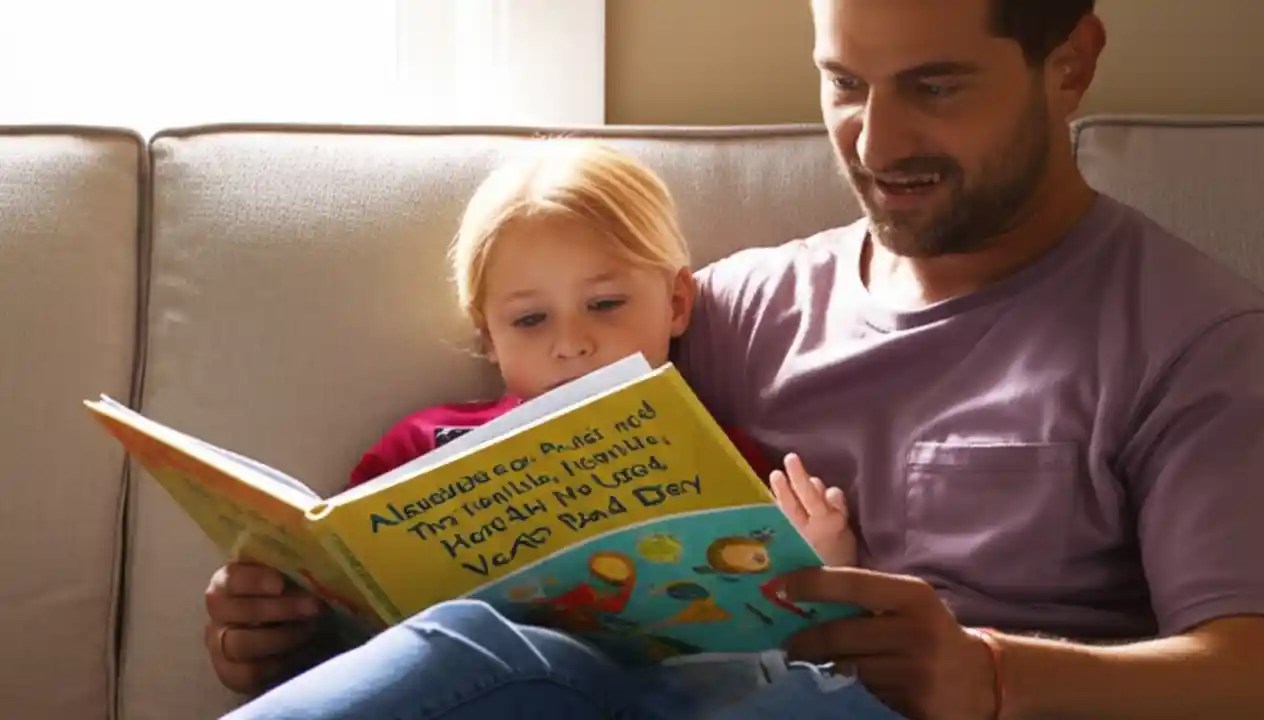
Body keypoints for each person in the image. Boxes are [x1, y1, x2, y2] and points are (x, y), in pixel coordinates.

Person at [206, 0, 1264, 717]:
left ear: (1070, 65)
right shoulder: (723, 309)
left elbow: (1253, 666)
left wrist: (989, 674)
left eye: (936, 86)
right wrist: (302, 623)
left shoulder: (1195, 340)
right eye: (844, 85)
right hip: (662, 691)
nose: (875, 140)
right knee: (459, 647)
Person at [212, 140, 893, 719]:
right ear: (488, 339)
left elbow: (798, 645)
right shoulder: (419, 446)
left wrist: (825, 565)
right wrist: (276, 618)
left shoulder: (716, 452)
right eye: (530, 320)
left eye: (605, 304)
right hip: (497, 691)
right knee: (457, 633)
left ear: (677, 302)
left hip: (683, 696)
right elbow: (352, 590)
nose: (572, 343)